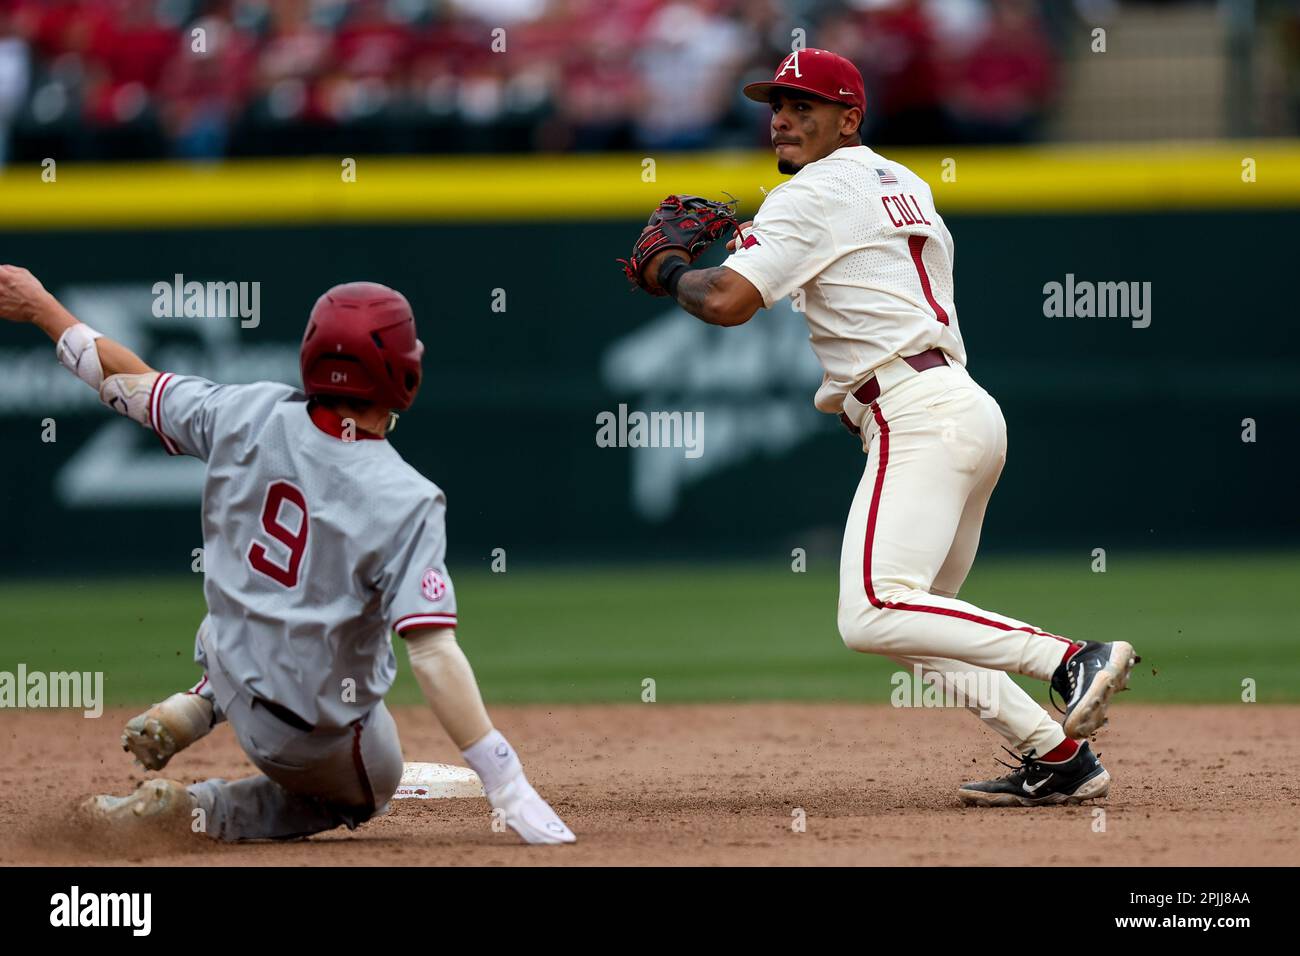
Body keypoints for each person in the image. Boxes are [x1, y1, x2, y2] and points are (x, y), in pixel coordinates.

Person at [626, 48, 1138, 806]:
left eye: (805, 106)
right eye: (777, 105)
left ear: (848, 117)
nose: (784, 119)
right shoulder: (903, 182)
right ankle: (1057, 756)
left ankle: (1070, 658)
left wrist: (666, 268)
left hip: (920, 414)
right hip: (955, 406)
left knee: (872, 610)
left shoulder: (811, 194)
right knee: (922, 625)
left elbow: (728, 301)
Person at [0, 265, 575, 842]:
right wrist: (507, 784)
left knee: (260, 606)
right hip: (307, 738)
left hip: (227, 665)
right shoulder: (407, 497)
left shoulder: (241, 412)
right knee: (375, 785)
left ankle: (195, 708)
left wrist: (43, 309)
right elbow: (432, 652)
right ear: (404, 374)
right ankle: (203, 809)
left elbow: (127, 384)